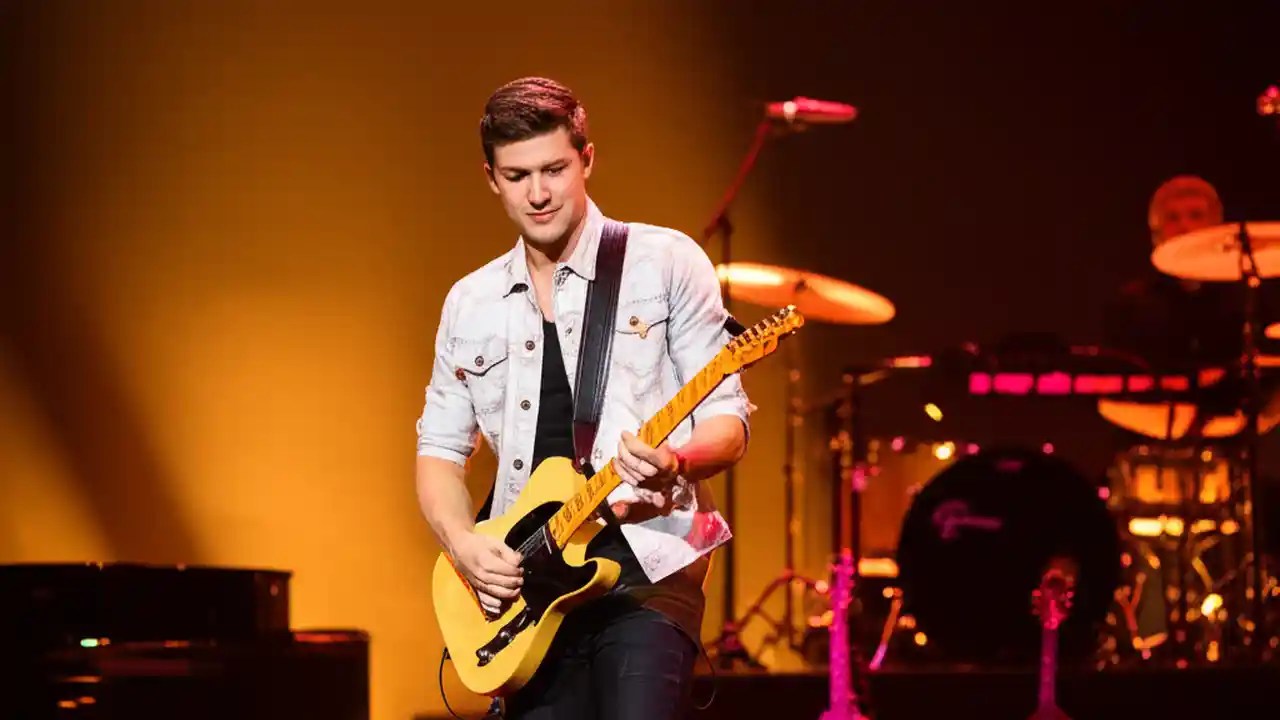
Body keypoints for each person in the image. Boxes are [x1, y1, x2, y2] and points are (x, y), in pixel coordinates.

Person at [414, 76, 752, 719]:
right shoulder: (470, 302)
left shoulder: (665, 262)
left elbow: (728, 421)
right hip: (529, 585)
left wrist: (677, 461)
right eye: (517, 176)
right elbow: (438, 451)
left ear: (587, 159)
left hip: (646, 568)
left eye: (554, 170)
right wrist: (463, 543)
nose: (538, 194)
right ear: (491, 178)